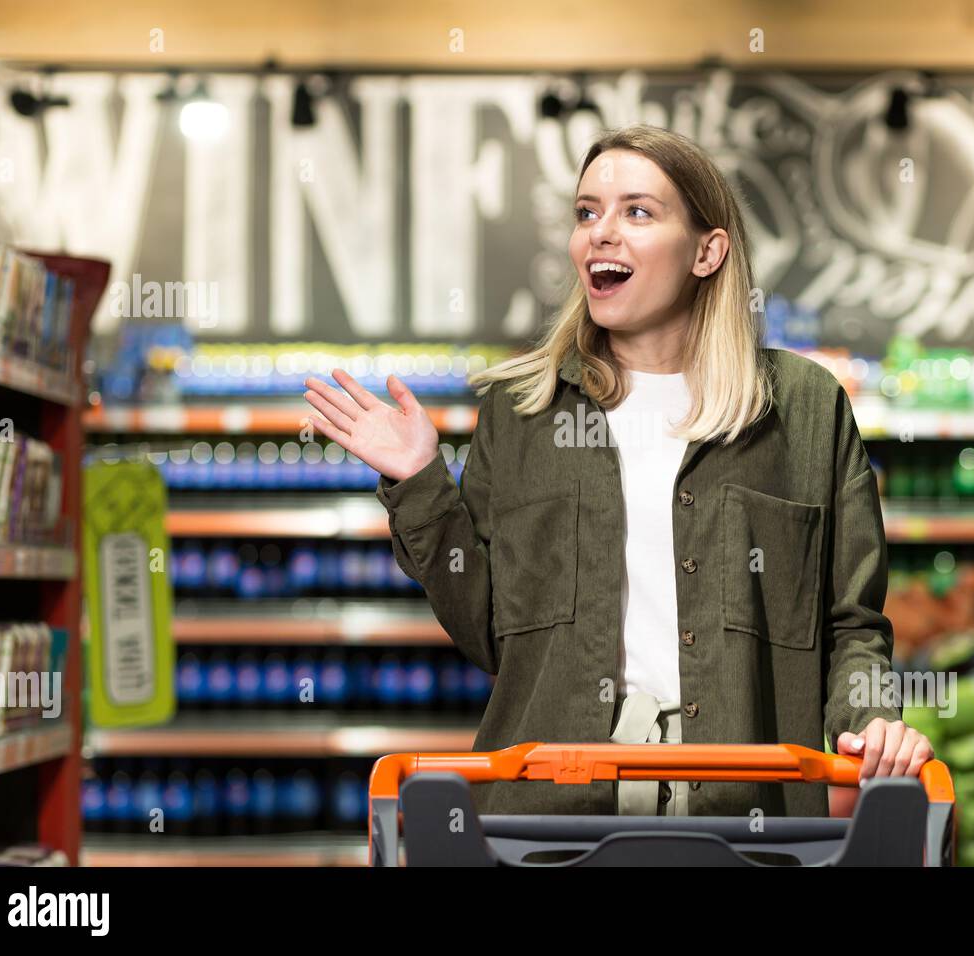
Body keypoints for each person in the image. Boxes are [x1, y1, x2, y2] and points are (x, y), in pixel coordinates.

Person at [304, 124, 933, 818]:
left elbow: (853, 624)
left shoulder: (805, 410)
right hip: (552, 813)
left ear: (707, 250)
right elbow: (488, 633)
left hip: (747, 810)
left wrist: (870, 719)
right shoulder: (524, 413)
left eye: (637, 211)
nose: (600, 233)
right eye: (586, 212)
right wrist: (422, 482)